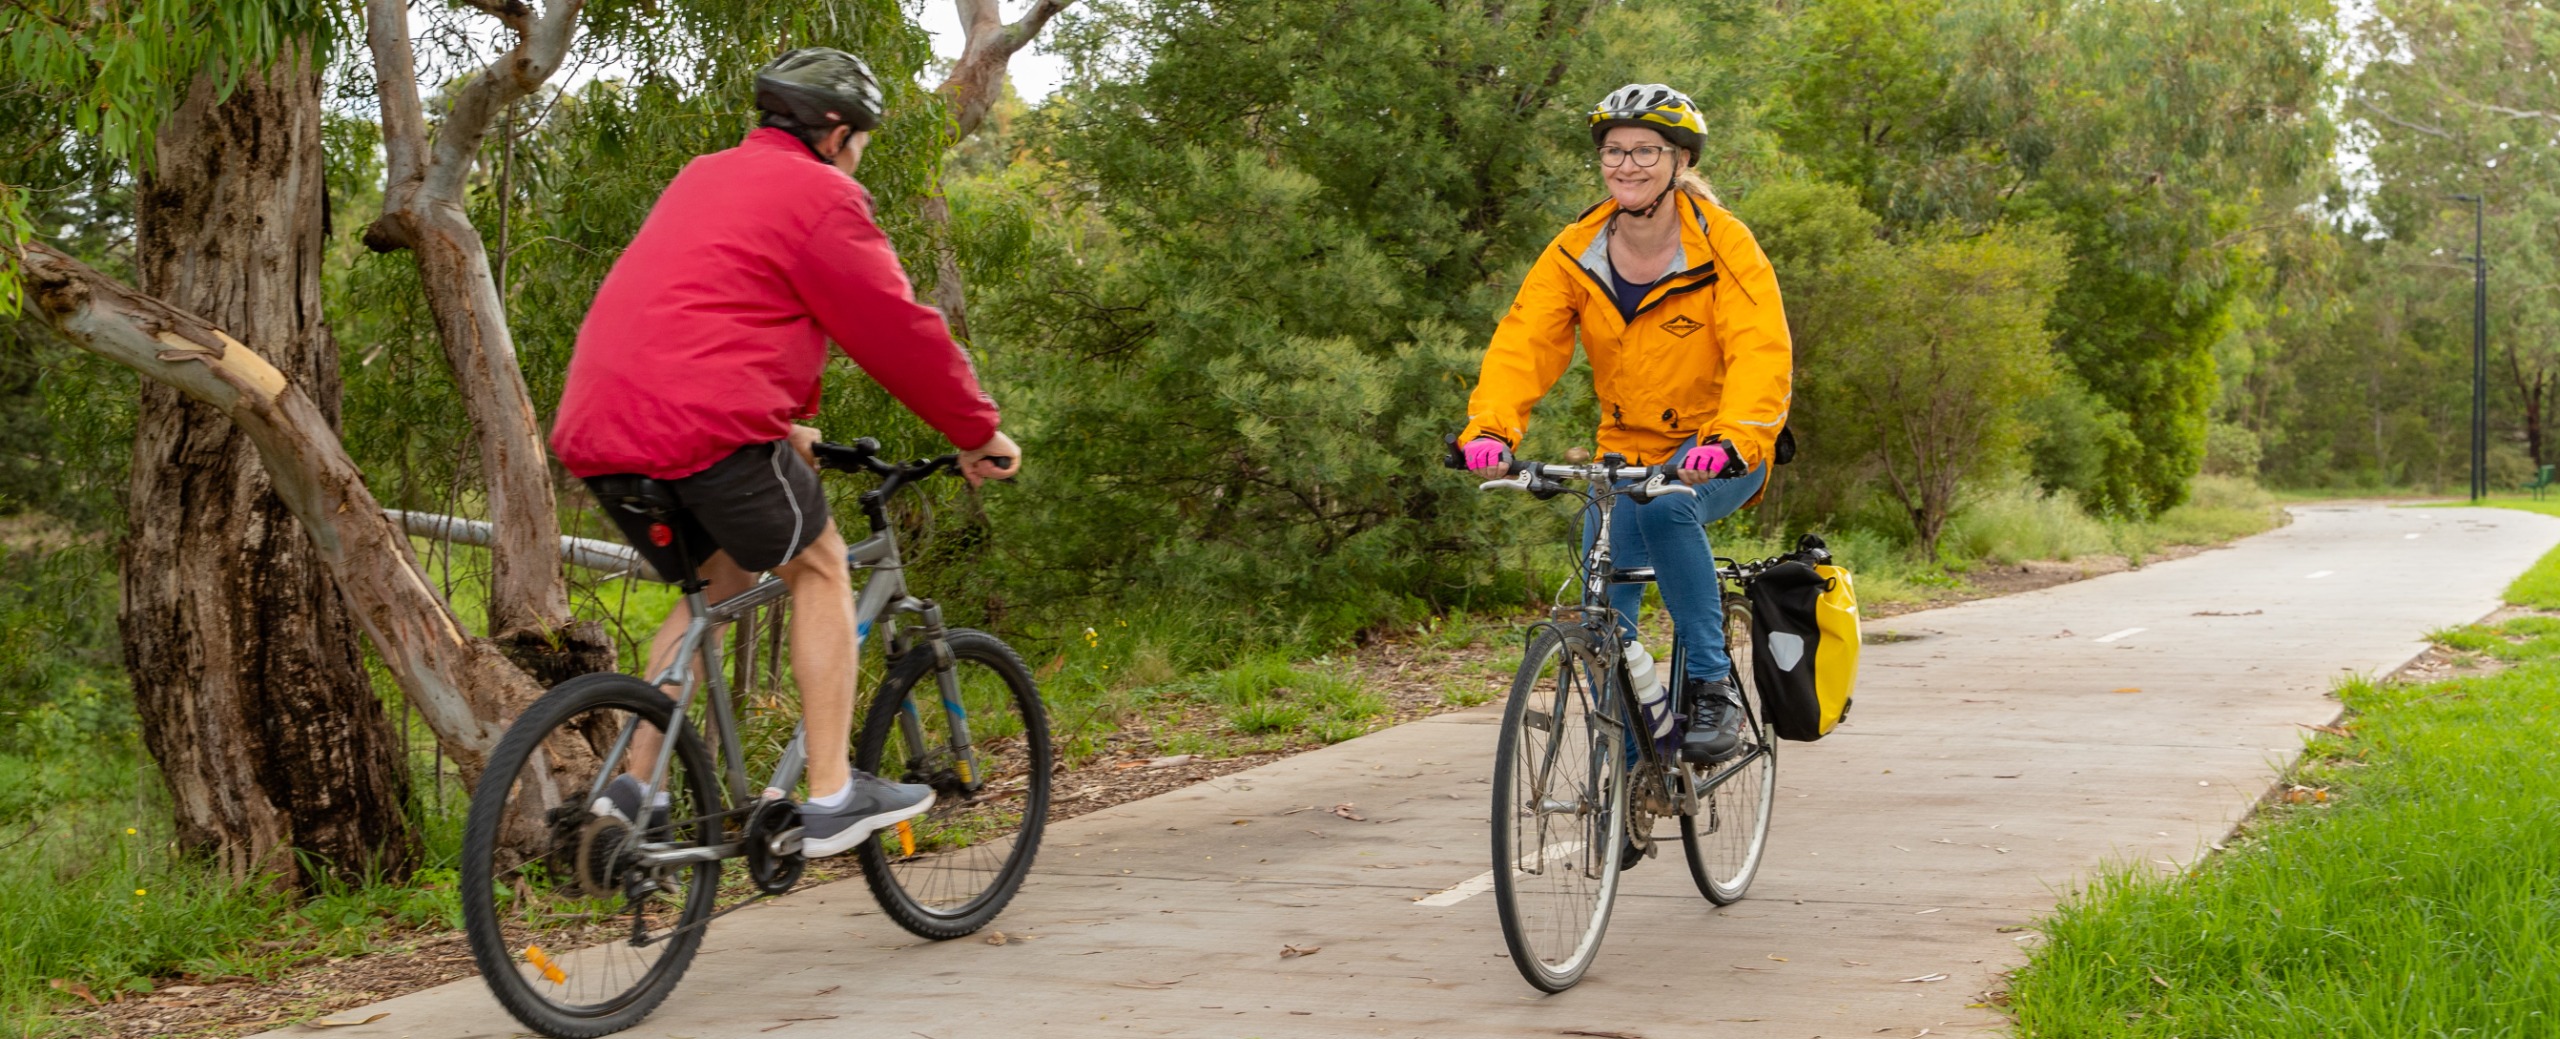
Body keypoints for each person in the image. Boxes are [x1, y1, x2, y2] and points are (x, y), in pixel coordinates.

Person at [549, 47, 1021, 857]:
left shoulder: (704, 175)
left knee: (716, 581)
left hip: (600, 429)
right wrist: (977, 430)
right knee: (824, 565)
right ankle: (834, 791)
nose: (862, 148)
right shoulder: (824, 195)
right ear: (835, 130)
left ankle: (638, 788)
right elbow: (895, 329)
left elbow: (716, 300)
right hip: (705, 427)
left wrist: (793, 417)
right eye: (864, 134)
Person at [1454, 83, 1793, 764]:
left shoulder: (1723, 244)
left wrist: (1732, 439)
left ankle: (1711, 681)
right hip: (1624, 450)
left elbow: (1761, 348)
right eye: (1615, 151)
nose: (1628, 164)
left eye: (1646, 150)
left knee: (1671, 514)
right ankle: (1625, 788)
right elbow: (1525, 343)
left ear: (1678, 161)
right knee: (1606, 623)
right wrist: (1490, 431)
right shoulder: (1576, 250)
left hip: (1720, 444)